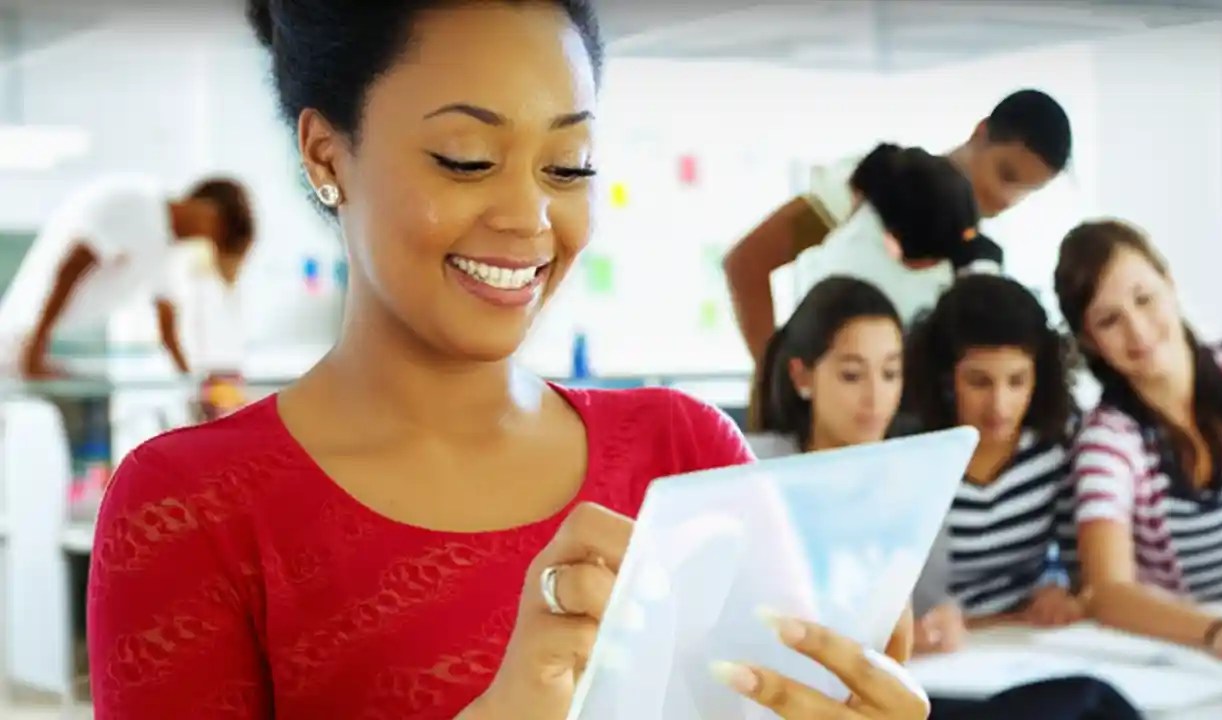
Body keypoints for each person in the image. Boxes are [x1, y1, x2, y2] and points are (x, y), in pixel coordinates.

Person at [86, 2, 927, 719]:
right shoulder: (190, 506)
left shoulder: (684, 452)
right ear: (325, 154)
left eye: (568, 166)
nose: (530, 217)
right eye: (467, 160)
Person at [1055, 219, 1222, 665]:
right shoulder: (1107, 439)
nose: (1137, 330)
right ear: (1090, 341)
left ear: (1170, 284)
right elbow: (1107, 591)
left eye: (1144, 299)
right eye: (1109, 320)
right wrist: (1219, 633)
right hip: (1192, 645)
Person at [724, 90, 1072, 362]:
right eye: (1005, 174)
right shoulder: (870, 186)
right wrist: (774, 384)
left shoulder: (980, 257)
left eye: (1026, 190)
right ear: (980, 133)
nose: (1006, 198)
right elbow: (747, 262)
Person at [903, 274, 1082, 655]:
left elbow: (1078, 565)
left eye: (1017, 381)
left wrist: (1060, 588)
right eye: (979, 382)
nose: (1000, 406)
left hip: (1029, 640)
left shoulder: (1057, 443)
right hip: (937, 650)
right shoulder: (914, 458)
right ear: (946, 379)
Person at [0, 173, 255, 379]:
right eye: (214, 235)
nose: (204, 242)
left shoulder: (165, 246)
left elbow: (166, 321)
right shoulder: (139, 207)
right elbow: (72, 266)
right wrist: (35, 348)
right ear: (209, 213)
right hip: (19, 341)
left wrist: (189, 383)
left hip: (43, 347)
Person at [747, 275, 903, 456]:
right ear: (801, 377)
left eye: (890, 373)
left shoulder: (917, 463)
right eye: (851, 375)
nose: (875, 397)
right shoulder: (752, 465)